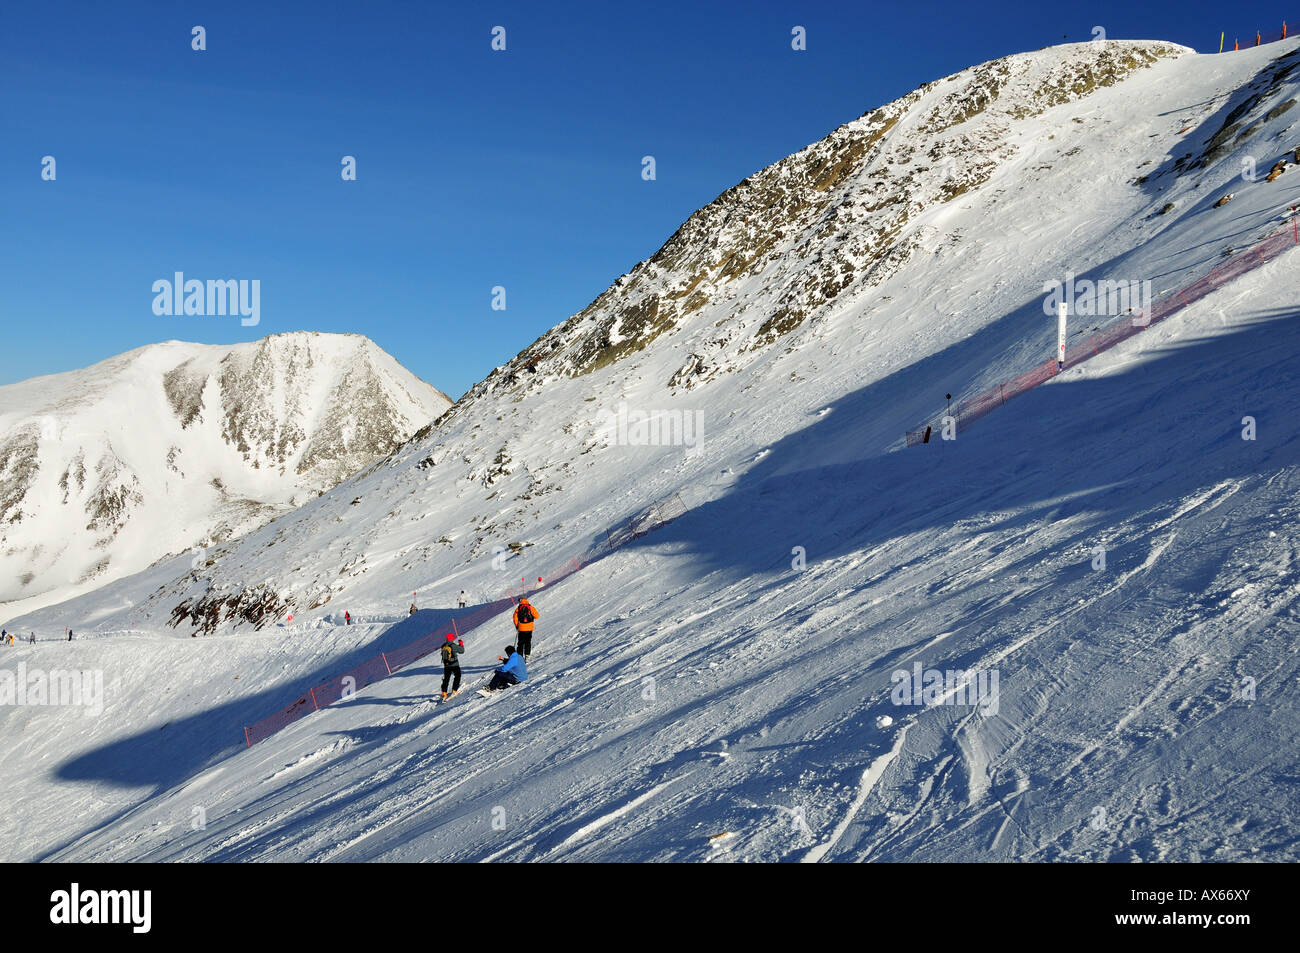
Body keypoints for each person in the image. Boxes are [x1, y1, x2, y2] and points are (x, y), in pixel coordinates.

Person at [440, 633, 464, 701]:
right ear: (452, 638)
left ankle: (444, 693)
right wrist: (461, 644)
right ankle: (454, 690)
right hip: (454, 664)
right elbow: (462, 651)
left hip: (446, 665)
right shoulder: (453, 645)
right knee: (457, 676)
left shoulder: (443, 646)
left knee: (446, 679)